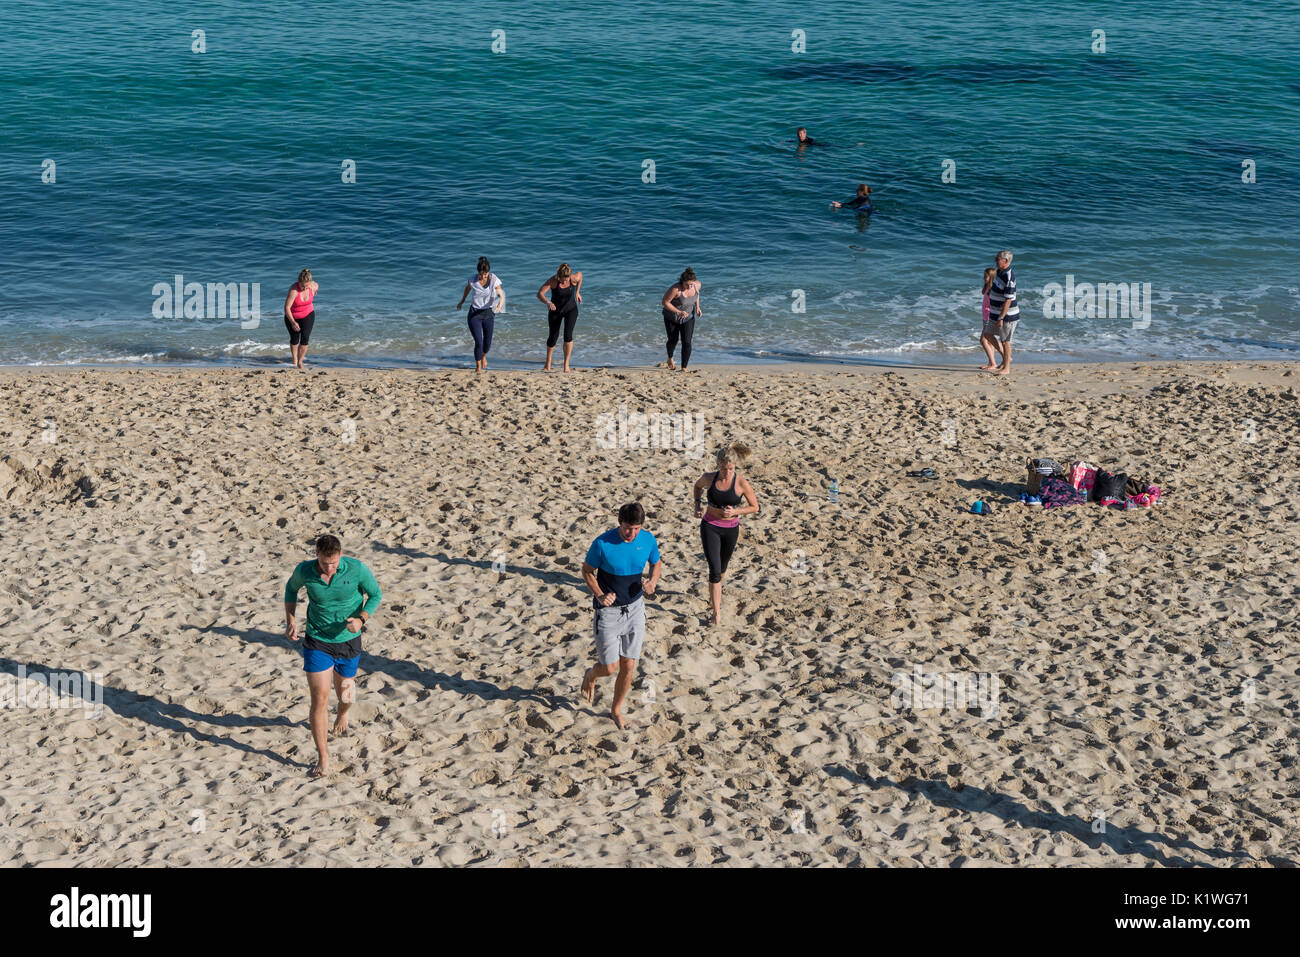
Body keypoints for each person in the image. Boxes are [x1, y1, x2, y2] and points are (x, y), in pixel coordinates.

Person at [284, 534, 383, 777]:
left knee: (346, 694)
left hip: (348, 641)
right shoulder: (305, 570)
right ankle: (323, 757)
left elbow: (376, 595)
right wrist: (291, 620)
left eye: (334, 563)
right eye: (325, 563)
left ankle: (343, 713)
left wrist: (361, 619)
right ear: (316, 555)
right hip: (317, 641)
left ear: (341, 554)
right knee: (319, 698)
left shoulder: (356, 569)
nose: (330, 568)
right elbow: (290, 589)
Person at [579, 502, 662, 730]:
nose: (631, 533)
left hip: (635, 608)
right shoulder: (602, 543)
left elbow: (656, 562)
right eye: (628, 528)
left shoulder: (647, 540)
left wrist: (653, 582)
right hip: (608, 613)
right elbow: (586, 570)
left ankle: (615, 709)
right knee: (610, 667)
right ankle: (591, 674)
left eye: (636, 528)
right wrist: (598, 594)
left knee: (629, 664)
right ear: (620, 523)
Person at [693, 442, 758, 626]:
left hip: (731, 530)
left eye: (730, 468)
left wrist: (736, 512)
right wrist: (697, 505)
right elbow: (697, 487)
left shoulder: (741, 483)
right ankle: (716, 613)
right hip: (710, 526)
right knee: (714, 570)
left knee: (721, 570)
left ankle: (715, 592)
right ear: (718, 465)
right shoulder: (709, 478)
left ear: (735, 466)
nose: (727, 472)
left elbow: (755, 507)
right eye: (724, 468)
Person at [457, 257, 505, 372]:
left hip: (488, 314)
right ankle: (478, 367)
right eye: (481, 274)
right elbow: (467, 289)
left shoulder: (493, 279)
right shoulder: (472, 280)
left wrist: (500, 304)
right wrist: (462, 300)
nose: (484, 276)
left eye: (486, 274)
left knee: (487, 344)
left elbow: (501, 294)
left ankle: (483, 356)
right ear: (478, 272)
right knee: (479, 342)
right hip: (474, 314)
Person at [537, 263, 583, 372]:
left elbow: (580, 275)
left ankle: (566, 365)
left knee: (568, 336)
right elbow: (540, 294)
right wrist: (548, 302)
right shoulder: (553, 281)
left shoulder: (573, 278)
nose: (565, 282)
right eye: (563, 280)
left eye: (567, 279)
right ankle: (548, 363)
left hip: (571, 310)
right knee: (553, 337)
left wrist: (577, 292)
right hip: (555, 311)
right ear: (559, 276)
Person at [661, 268, 702, 371]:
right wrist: (678, 312)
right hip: (672, 318)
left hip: (688, 318)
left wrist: (698, 307)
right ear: (682, 282)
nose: (689, 287)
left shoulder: (697, 285)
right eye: (687, 285)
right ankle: (670, 358)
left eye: (691, 285)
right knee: (673, 340)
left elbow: (697, 295)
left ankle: (684, 367)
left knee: (687, 342)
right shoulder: (675, 289)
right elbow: (665, 302)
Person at [988, 250, 1019, 376]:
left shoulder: (1009, 277)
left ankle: (1006, 368)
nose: (995, 260)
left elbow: (1008, 300)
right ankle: (1006, 358)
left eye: (997, 258)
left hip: (1007, 315)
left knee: (1005, 341)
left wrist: (1001, 317)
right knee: (988, 334)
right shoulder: (1000, 272)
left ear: (1005, 261)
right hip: (995, 313)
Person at [283, 269, 319, 370]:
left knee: (305, 339)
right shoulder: (294, 290)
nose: (304, 288)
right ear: (299, 282)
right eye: (302, 285)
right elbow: (287, 308)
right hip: (292, 316)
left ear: (311, 283)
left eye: (306, 286)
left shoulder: (314, 286)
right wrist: (293, 322)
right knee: (294, 339)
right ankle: (294, 359)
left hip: (308, 315)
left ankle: (300, 362)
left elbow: (315, 293)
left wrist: (312, 293)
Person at [978, 266, 1000, 371]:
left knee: (983, 340)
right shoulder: (987, 287)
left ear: (991, 277)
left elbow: (996, 305)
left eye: (986, 276)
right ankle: (992, 363)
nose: (983, 278)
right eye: (983, 276)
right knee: (989, 341)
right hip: (985, 317)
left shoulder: (992, 290)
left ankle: (993, 363)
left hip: (989, 318)